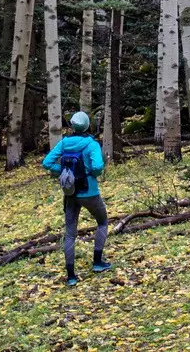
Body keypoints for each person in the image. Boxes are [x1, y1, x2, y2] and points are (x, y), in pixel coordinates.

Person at [42, 111, 111, 286]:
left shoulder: (64, 143)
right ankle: (97, 262)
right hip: (90, 193)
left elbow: (47, 163)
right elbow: (97, 167)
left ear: (72, 126)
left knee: (70, 234)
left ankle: (71, 275)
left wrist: (66, 172)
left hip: (70, 194)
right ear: (87, 126)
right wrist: (91, 174)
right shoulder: (91, 144)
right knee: (102, 222)